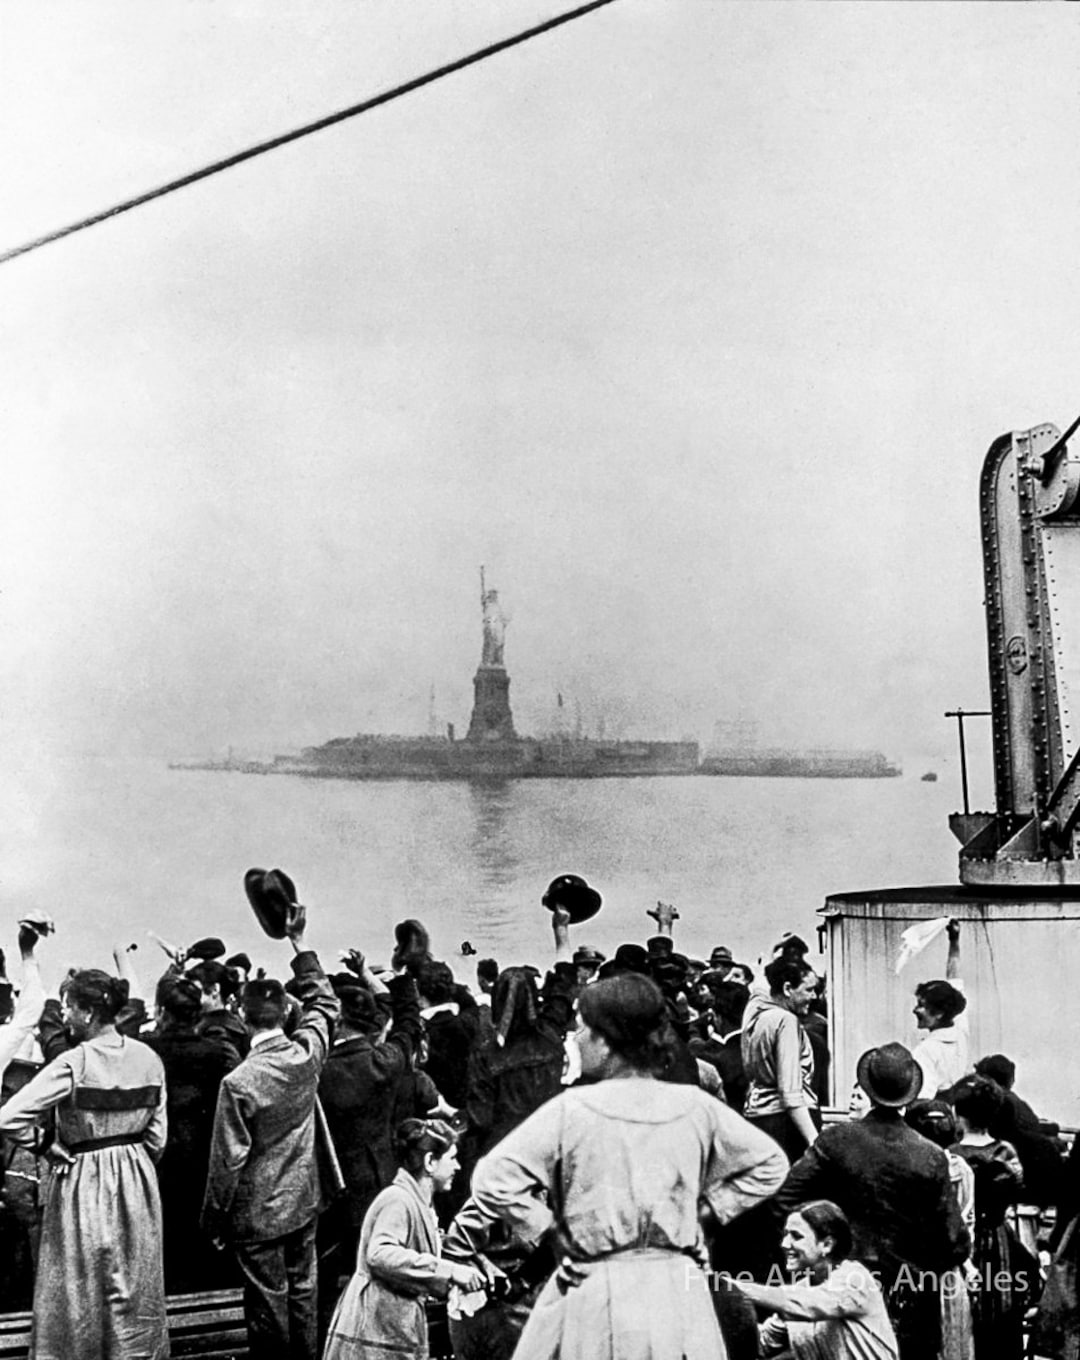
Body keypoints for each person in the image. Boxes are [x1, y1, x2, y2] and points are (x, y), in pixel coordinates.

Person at [461, 972, 789, 1359]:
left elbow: (491, 1178)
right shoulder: (695, 1107)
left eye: (583, 1028)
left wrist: (549, 1230)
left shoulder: (573, 1110)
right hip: (674, 1285)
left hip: (596, 1283)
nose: (576, 1038)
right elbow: (771, 1164)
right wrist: (712, 1211)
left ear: (605, 1040)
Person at [0, 967, 169, 1359]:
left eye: (68, 1008)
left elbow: (9, 1117)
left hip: (83, 1176)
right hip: (137, 1178)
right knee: (133, 1284)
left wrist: (44, 1144)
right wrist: (132, 1161)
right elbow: (157, 1137)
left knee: (80, 1286)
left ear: (88, 1013)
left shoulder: (74, 1062)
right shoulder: (148, 1058)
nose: (64, 1016)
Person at [201, 903, 340, 1360]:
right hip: (304, 1198)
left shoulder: (238, 1082)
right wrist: (299, 943)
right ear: (285, 1013)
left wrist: (214, 1220)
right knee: (304, 1291)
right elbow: (325, 1003)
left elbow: (228, 1162)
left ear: (241, 1018)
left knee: (266, 1304)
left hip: (258, 1214)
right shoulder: (307, 1056)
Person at [774, 1043, 968, 1360]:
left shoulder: (836, 1141)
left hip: (843, 1286)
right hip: (911, 1297)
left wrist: (813, 1249)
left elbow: (784, 1198)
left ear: (868, 1087)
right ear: (909, 1092)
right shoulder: (931, 1156)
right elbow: (953, 1241)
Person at [323, 1118, 486, 1360]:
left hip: (390, 1326)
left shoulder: (418, 1201)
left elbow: (423, 1246)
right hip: (374, 1330)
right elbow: (380, 1254)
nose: (458, 1167)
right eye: (452, 1158)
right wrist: (449, 1271)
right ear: (430, 1162)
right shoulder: (397, 1200)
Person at [145, 973, 239, 1294]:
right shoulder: (216, 1052)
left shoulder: (147, 1050)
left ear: (161, 1012)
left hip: (158, 1158)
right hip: (203, 1158)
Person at [736, 1200, 899, 1359]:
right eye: (785, 1235)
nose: (785, 1244)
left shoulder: (854, 1279)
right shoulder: (799, 1291)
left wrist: (733, 1288)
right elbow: (762, 1343)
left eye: (796, 1236)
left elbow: (807, 1305)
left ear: (827, 1245)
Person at [950, 1076, 1031, 1360]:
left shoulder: (951, 1157)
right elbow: (1016, 1190)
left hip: (963, 1244)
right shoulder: (1006, 1153)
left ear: (957, 1114)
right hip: (1000, 1242)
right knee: (1003, 1315)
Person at [742, 956, 819, 1160]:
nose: (814, 997)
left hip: (758, 1118)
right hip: (789, 1127)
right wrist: (815, 1143)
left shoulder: (755, 1012)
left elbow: (757, 991)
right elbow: (791, 1094)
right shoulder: (786, 1021)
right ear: (787, 989)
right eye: (808, 990)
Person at [912, 920, 968, 1098]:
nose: (915, 1010)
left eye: (921, 1006)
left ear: (938, 1013)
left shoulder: (926, 1051)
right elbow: (955, 978)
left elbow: (923, 1097)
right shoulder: (959, 1028)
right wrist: (954, 941)